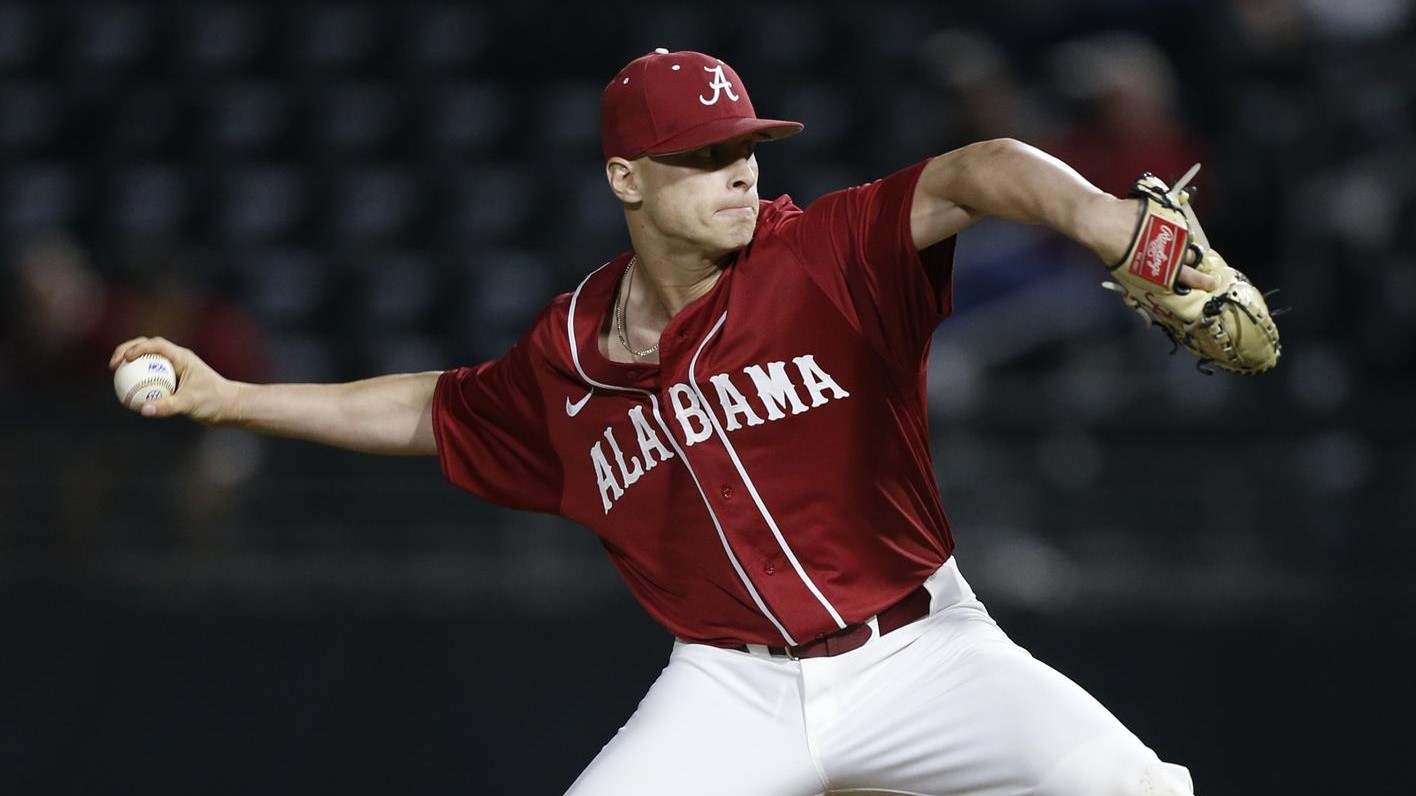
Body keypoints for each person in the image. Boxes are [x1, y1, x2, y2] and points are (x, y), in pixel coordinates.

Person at [110, 49, 1213, 795]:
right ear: (625, 178)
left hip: (923, 647)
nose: (739, 174)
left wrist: (1109, 223)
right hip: (732, 683)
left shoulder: (819, 259)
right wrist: (228, 397)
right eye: (703, 156)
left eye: (746, 148)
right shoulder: (569, 348)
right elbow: (429, 407)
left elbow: (981, 170)